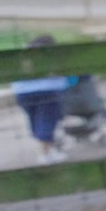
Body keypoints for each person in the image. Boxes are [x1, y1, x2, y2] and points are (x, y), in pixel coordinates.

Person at [11, 34, 74, 165]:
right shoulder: (51, 54)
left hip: (22, 92)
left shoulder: (21, 55)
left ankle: (45, 149)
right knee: (47, 121)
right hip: (48, 90)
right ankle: (46, 153)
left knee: (35, 120)